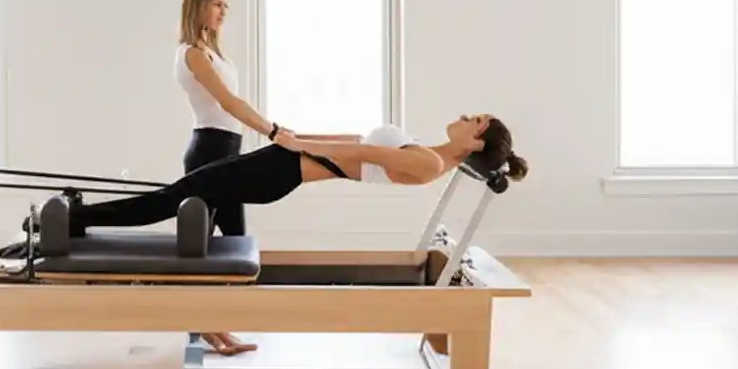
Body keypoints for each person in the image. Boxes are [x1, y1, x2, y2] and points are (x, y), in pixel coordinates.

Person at [63, 114, 528, 237]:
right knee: (178, 195)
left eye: (475, 119)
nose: (465, 115)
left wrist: (299, 145)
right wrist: (297, 134)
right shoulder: (428, 153)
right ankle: (81, 218)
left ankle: (77, 220)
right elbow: (355, 138)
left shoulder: (430, 163)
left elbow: (361, 150)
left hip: (280, 172)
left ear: (477, 142)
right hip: (280, 166)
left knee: (175, 198)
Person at [173, 0, 288, 355]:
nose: (224, 11)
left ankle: (215, 324)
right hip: (209, 151)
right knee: (208, 246)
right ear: (198, 4)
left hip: (226, 150)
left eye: (226, 5)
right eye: (217, 3)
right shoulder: (192, 53)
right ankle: (209, 325)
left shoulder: (211, 51)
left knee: (233, 243)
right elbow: (227, 103)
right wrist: (273, 131)